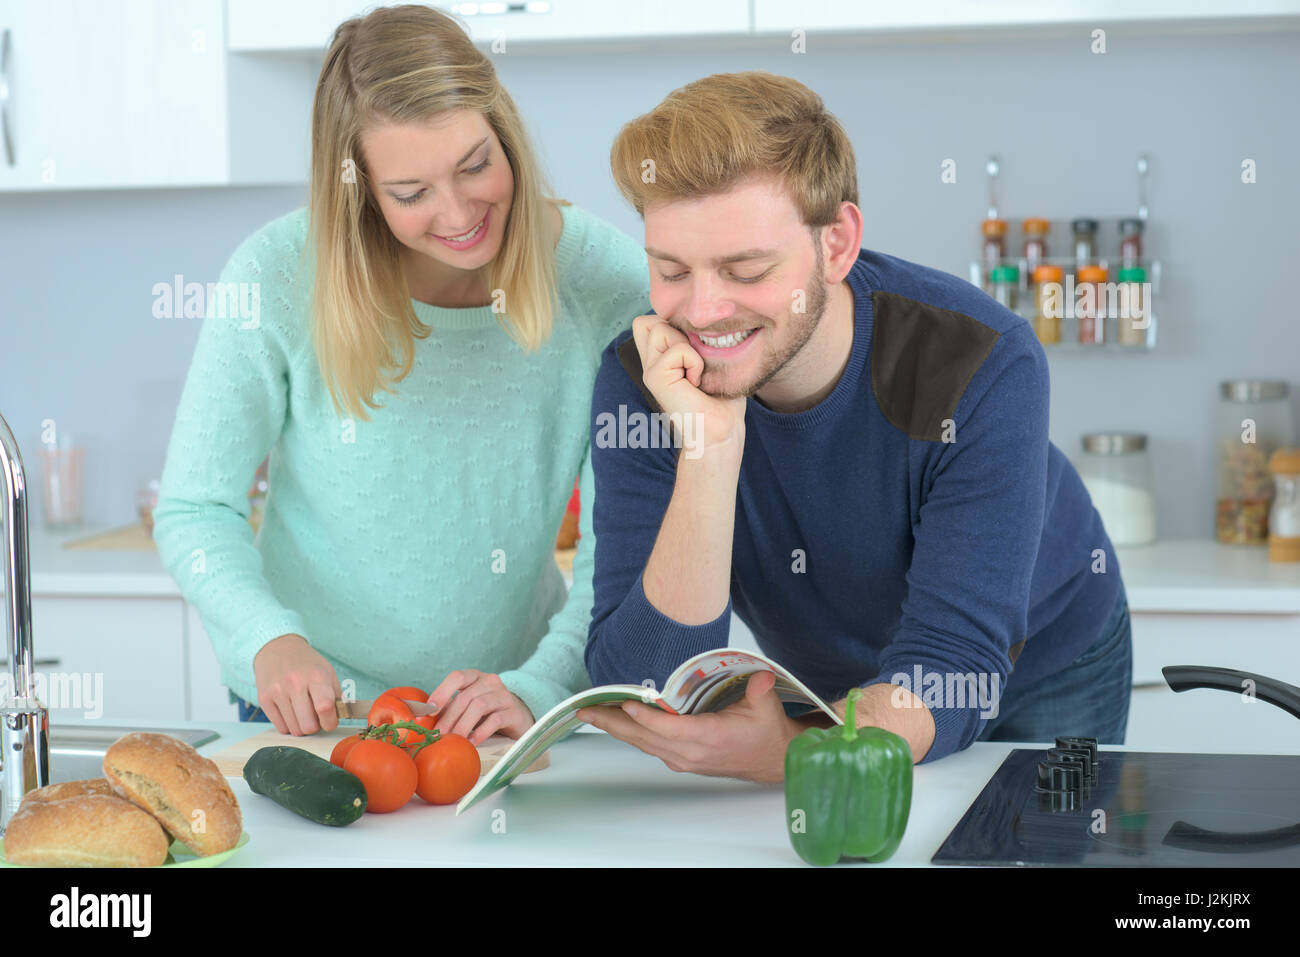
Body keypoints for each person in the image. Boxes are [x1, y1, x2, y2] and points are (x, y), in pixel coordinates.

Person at [577, 71, 1131, 777]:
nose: (704, 310)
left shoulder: (979, 359)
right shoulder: (643, 383)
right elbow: (646, 684)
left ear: (835, 244)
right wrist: (709, 451)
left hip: (1048, 659)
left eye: (745, 269)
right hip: (840, 694)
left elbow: (953, 666)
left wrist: (791, 753)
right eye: (671, 269)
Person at [153, 5, 649, 742]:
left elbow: (625, 534)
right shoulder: (275, 275)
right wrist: (267, 638)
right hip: (312, 708)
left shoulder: (606, 282)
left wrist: (542, 681)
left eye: (476, 164)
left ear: (503, 129)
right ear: (358, 191)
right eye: (411, 194)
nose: (458, 213)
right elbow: (195, 506)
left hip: (509, 709)